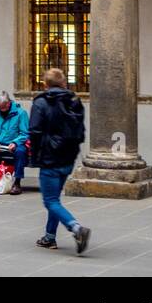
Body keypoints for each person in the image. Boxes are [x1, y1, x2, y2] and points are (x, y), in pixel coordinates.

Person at [28, 68, 91, 254]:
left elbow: (35, 131)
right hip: (68, 157)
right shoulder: (74, 101)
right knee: (55, 199)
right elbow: (80, 130)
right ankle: (49, 237)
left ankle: (77, 228)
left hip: (49, 157)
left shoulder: (41, 102)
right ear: (64, 82)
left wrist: (35, 156)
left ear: (45, 84)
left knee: (50, 201)